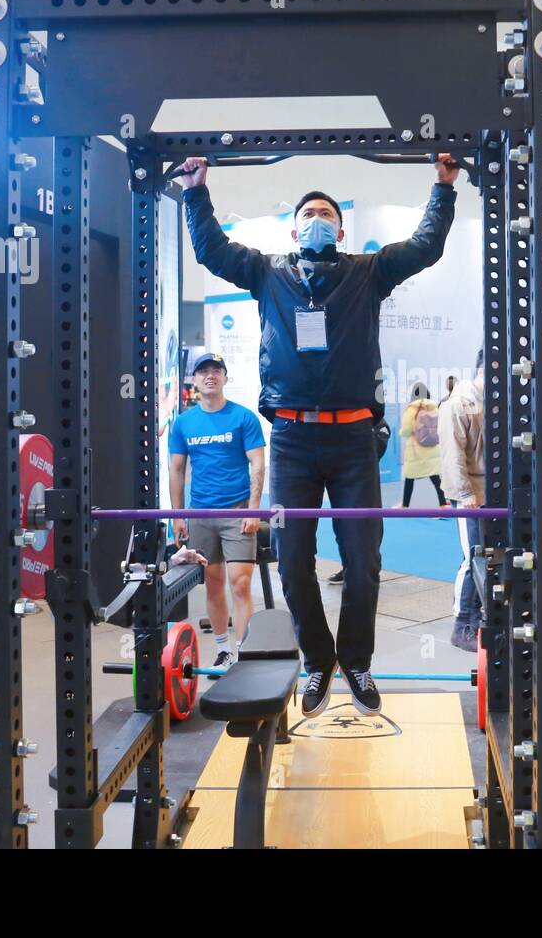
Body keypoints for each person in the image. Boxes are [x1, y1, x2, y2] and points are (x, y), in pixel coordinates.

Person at [180, 152, 459, 718]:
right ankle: (317, 662)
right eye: (309, 212)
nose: (317, 219)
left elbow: (425, 246)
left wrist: (443, 188)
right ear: (293, 227)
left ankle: (356, 660)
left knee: (364, 561)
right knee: (291, 559)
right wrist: (195, 191)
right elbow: (211, 250)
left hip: (355, 441)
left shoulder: (368, 271)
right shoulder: (266, 272)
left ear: (341, 227)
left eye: (327, 213)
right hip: (290, 441)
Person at [169, 353, 266, 670]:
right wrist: (178, 514)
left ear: (225, 378)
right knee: (212, 581)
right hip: (200, 515)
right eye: (204, 372)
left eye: (216, 371)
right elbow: (177, 470)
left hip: (238, 512)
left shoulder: (243, 417)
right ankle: (224, 649)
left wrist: (254, 511)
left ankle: (245, 652)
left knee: (239, 583)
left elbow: (258, 464)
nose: (210, 376)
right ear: (195, 380)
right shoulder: (184, 423)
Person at [438, 349, 487, 652]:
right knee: (472, 558)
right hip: (470, 497)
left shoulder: (496, 403)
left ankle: (482, 619)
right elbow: (452, 455)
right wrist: (466, 494)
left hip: (495, 497)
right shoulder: (458, 402)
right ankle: (462, 625)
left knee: (491, 558)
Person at [398, 382, 448, 509]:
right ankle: (443, 504)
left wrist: (401, 432)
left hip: (415, 450)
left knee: (409, 478)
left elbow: (406, 430)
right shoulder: (434, 407)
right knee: (435, 477)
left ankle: (405, 505)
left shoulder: (411, 409)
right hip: (432, 448)